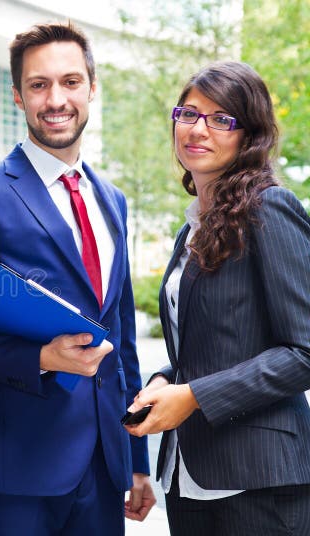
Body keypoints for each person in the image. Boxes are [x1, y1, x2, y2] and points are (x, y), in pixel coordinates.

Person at [0, 22, 154, 535]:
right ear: (17, 95)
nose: (56, 99)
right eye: (39, 85)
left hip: (103, 470)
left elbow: (122, 340)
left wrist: (137, 456)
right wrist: (41, 358)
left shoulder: (113, 200)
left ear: (91, 87)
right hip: (14, 472)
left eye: (71, 82)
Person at [125, 61, 310, 535]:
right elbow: (209, 345)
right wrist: (167, 380)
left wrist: (193, 396)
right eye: (187, 114)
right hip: (188, 477)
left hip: (258, 481)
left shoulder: (270, 209)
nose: (198, 129)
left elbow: (304, 351)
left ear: (249, 135)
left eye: (220, 119)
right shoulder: (191, 228)